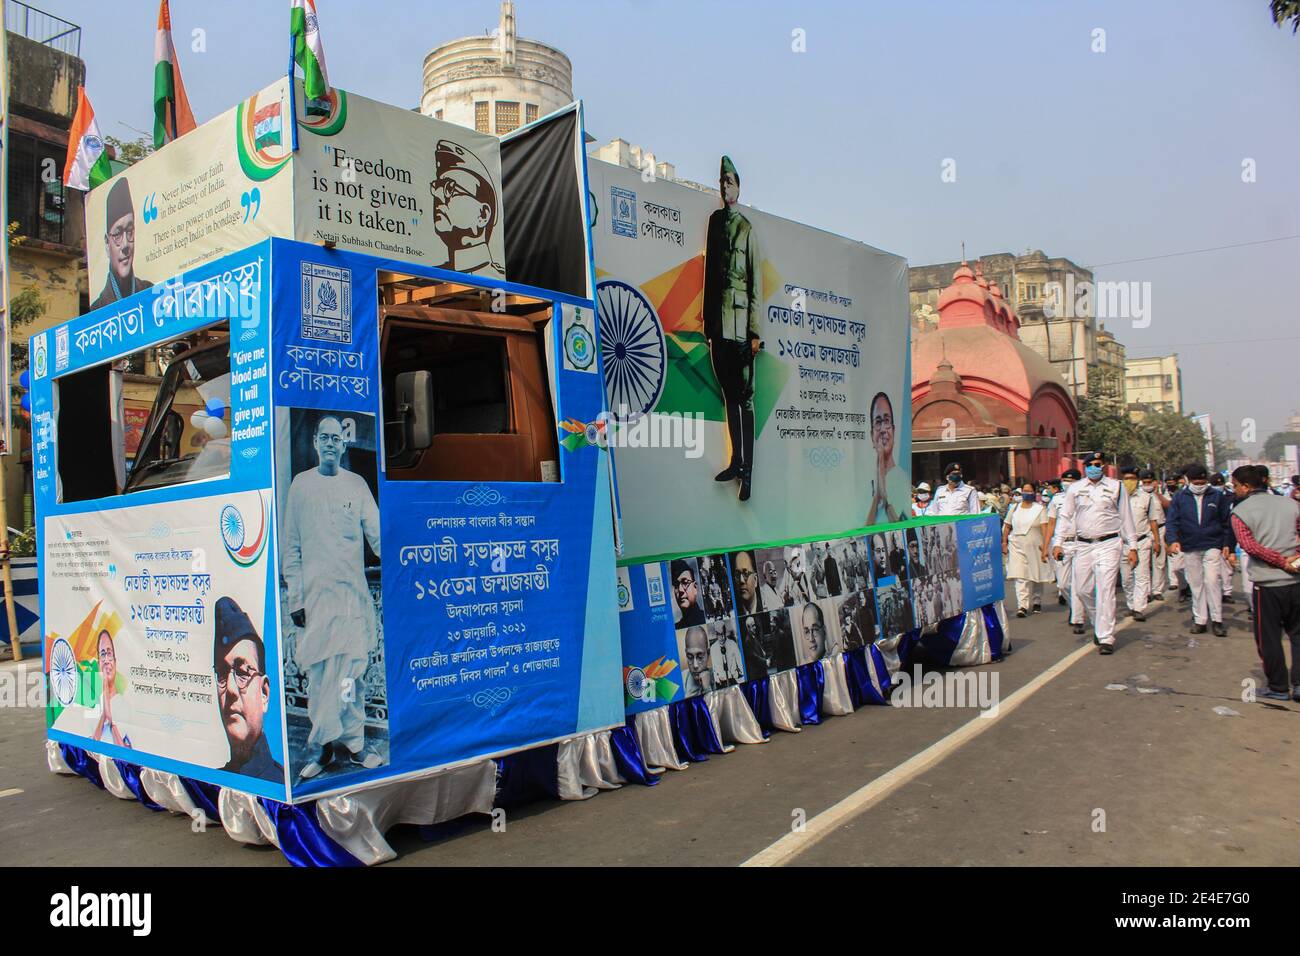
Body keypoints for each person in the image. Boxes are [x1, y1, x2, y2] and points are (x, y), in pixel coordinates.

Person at [283, 415, 384, 780]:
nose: (329, 444)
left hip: (351, 599)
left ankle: (354, 743)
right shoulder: (301, 486)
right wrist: (296, 599)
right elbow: (291, 547)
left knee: (350, 675)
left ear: (343, 444)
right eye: (323, 437)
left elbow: (377, 533)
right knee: (321, 676)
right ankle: (323, 748)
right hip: (316, 601)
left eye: (335, 438)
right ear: (314, 442)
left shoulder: (356, 485)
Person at [704, 155, 761, 502]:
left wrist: (754, 333)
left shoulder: (747, 229)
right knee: (729, 397)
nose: (727, 188)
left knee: (745, 399)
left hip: (741, 327)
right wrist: (708, 324)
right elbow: (711, 274)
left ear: (739, 187)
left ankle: (748, 473)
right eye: (723, 183)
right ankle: (736, 461)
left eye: (731, 182)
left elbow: (754, 283)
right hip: (720, 326)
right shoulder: (715, 223)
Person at [1051, 452, 1139, 653]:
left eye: (1097, 464)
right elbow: (1065, 516)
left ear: (1104, 465)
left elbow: (1126, 517)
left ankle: (1106, 636)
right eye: (1089, 464)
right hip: (1083, 545)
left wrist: (1132, 546)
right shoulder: (1076, 488)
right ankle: (1097, 618)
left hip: (1109, 543)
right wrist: (1059, 543)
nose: (1093, 467)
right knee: (1082, 590)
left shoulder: (1116, 487)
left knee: (1106, 589)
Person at [1229, 465, 1300, 701]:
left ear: (1246, 486)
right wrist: (1293, 560)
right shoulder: (1290, 504)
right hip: (1295, 580)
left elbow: (1249, 547)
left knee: (1269, 637)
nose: (1234, 489)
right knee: (1298, 635)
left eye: (1236, 485)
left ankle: (1278, 687)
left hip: (1267, 584)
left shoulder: (1240, 512)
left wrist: (1279, 561)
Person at [214, 597, 284, 783]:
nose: (230, 689)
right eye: (221, 674)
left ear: (264, 693)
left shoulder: (278, 785)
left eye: (243, 673)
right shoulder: (215, 783)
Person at [1165, 463, 1233, 637]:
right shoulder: (1180, 497)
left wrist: (1227, 544)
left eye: (1202, 480)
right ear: (1189, 480)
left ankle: (1217, 620)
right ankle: (1200, 620)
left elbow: (1226, 522)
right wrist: (1172, 540)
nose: (1199, 484)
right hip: (1190, 545)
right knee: (1196, 584)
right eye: (1196, 481)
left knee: (1212, 581)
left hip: (1212, 545)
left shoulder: (1217, 497)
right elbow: (1172, 521)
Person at [430, 140, 503, 277]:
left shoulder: (499, 284)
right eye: (436, 187)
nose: (438, 196)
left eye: (450, 188)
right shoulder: (427, 279)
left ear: (483, 214)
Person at [92, 178, 152, 310]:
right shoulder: (97, 310)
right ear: (107, 244)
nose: (125, 245)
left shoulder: (151, 293)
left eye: (129, 231)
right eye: (117, 234)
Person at [1002, 482, 1052, 617]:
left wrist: (1046, 547)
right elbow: (1007, 526)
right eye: (1024, 490)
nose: (1026, 493)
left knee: (1035, 575)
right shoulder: (1014, 508)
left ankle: (1036, 600)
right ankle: (1022, 606)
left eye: (1029, 491)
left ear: (1035, 493)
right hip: (1016, 544)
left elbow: (1044, 528)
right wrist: (1004, 542)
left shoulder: (1039, 509)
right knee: (1020, 575)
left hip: (1035, 544)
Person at [1119, 464, 1161, 622]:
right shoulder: (1116, 497)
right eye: (1126, 479)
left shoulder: (1146, 498)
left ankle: (1139, 607)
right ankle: (1131, 604)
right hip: (1122, 543)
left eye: (1132, 479)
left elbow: (1153, 521)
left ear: (1137, 481)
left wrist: (1157, 541)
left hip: (1142, 540)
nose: (1129, 481)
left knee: (1142, 575)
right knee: (1126, 578)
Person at [1043, 469, 1083, 627]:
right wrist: (1046, 547)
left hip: (1081, 543)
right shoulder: (1057, 500)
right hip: (1062, 544)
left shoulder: (1085, 498)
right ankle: (1076, 607)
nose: (1068, 484)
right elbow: (1051, 524)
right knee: (1063, 584)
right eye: (1065, 480)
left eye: (1071, 481)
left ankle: (1078, 617)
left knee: (1080, 582)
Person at [866, 392, 910, 524]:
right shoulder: (866, 481)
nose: (883, 429)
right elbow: (865, 528)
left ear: (894, 430)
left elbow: (897, 522)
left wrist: (883, 495)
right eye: (878, 422)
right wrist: (876, 497)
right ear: (872, 435)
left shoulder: (901, 477)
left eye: (886, 421)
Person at [91, 630, 132, 748]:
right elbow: (92, 747)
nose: (106, 660)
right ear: (99, 663)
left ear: (115, 661)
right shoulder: (93, 704)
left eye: (109, 654)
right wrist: (104, 714)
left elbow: (126, 754)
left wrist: (111, 722)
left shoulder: (126, 705)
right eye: (103, 654)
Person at [1141, 470, 1169, 603]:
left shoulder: (1159, 495)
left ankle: (1157, 589)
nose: (1147, 485)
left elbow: (1168, 506)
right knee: (1144, 564)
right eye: (1144, 482)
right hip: (1146, 532)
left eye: (1149, 482)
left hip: (1161, 528)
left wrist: (1157, 493)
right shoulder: (1139, 496)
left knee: (1159, 561)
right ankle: (1145, 592)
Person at [1210, 473, 1237, 605]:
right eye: (1215, 484)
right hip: (1213, 534)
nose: (1218, 487)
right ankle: (1217, 592)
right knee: (1214, 568)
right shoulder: (1209, 497)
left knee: (1226, 566)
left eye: (1220, 484)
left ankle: (1227, 592)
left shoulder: (1231, 497)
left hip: (1227, 532)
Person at [708, 620, 746, 687]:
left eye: (723, 634)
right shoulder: (713, 648)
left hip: (734, 679)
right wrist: (717, 678)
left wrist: (740, 674)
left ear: (725, 632)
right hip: (720, 682)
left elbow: (740, 661)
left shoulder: (732, 644)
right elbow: (713, 668)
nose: (722, 637)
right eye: (719, 634)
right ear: (716, 634)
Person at [670, 559, 705, 627]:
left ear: (695, 587)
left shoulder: (705, 619)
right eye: (676, 585)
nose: (680, 590)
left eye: (685, 582)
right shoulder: (676, 627)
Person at [682, 626, 714, 696]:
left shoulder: (717, 675)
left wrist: (707, 689)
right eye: (690, 657)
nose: (695, 665)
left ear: (708, 654)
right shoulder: (682, 679)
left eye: (700, 657)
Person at [731, 550, 762, 615]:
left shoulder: (765, 606)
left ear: (755, 580)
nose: (741, 580)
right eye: (737, 574)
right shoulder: (733, 612)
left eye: (746, 573)